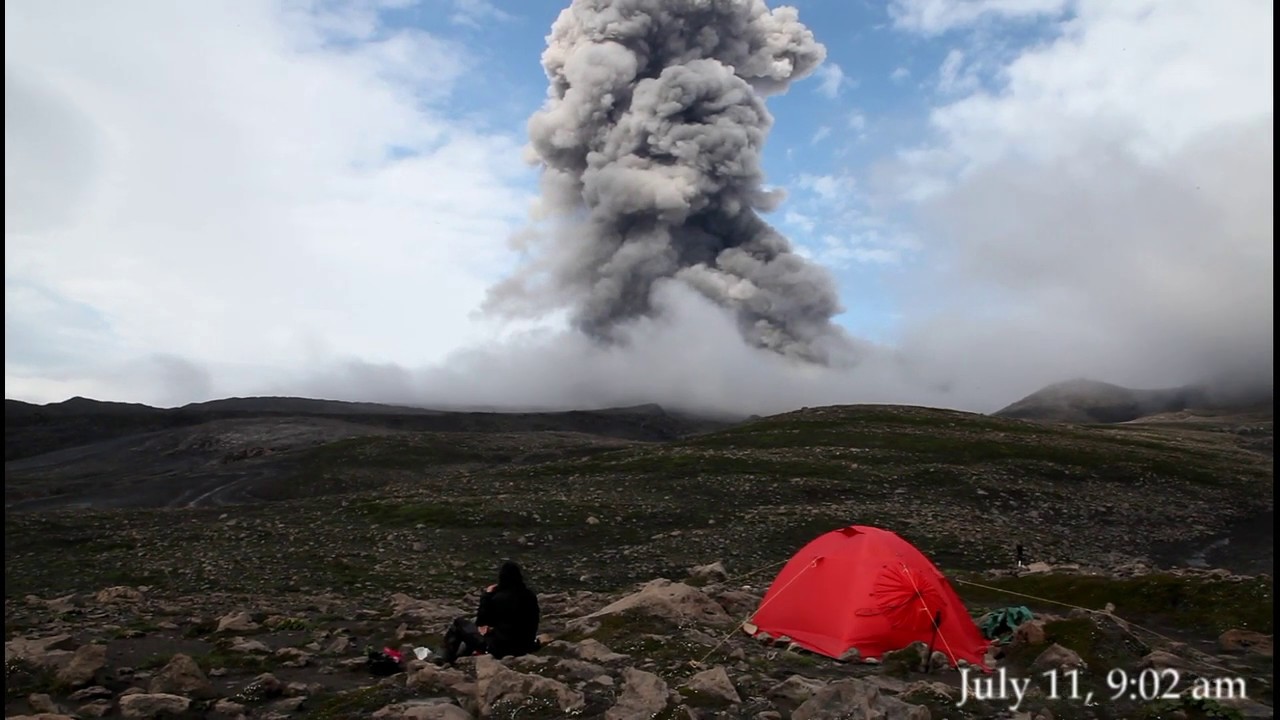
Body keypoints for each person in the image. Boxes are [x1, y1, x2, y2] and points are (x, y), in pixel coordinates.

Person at [438, 559, 541, 665]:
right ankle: (461, 656)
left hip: (499, 649)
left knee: (459, 625)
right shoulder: (530, 596)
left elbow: (482, 621)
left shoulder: (498, 598)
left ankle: (444, 660)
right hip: (525, 646)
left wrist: (487, 595)